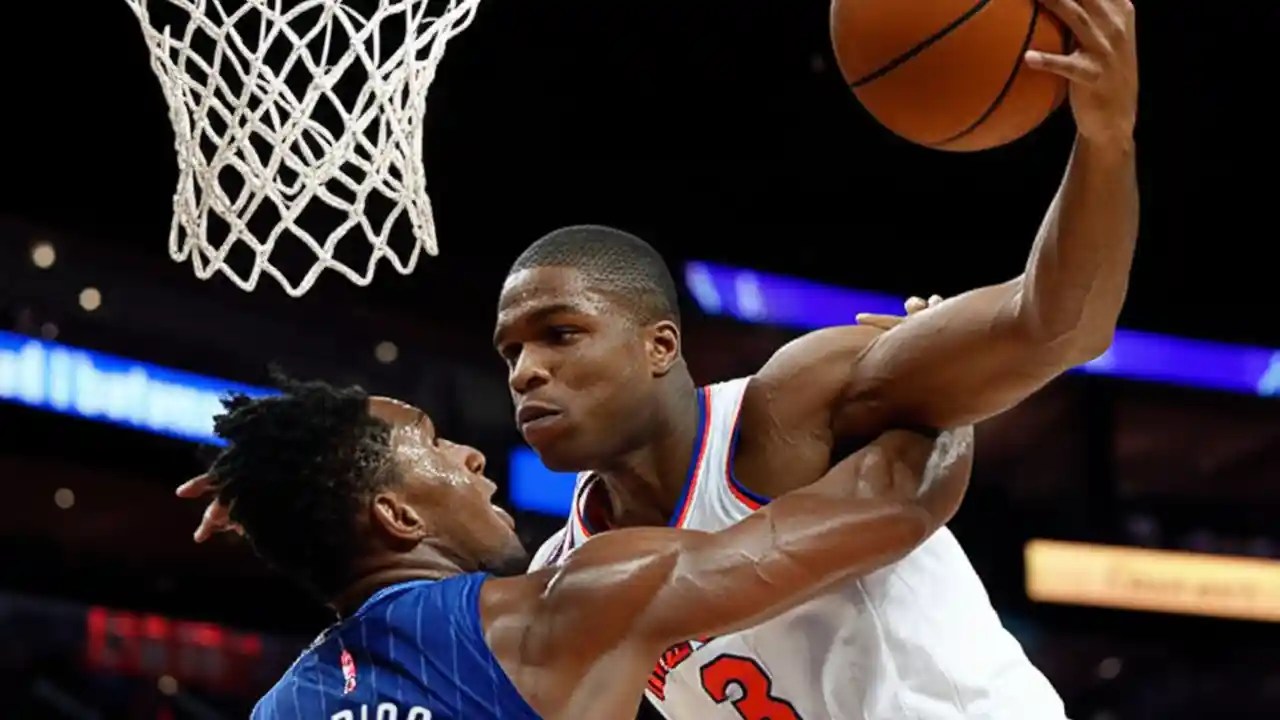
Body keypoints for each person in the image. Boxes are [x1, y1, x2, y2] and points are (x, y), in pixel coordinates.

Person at [190, 0, 1137, 715]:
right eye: (510, 350)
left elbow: (1060, 326)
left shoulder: (795, 400)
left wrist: (1103, 140)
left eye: (559, 335)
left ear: (660, 345)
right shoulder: (566, 581)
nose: (523, 372)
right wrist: (295, 498)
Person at [189, 375, 972, 719]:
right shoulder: (564, 611)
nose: (469, 456)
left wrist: (282, 506)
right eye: (432, 443)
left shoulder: (283, 705)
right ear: (396, 517)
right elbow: (897, 504)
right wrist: (950, 395)